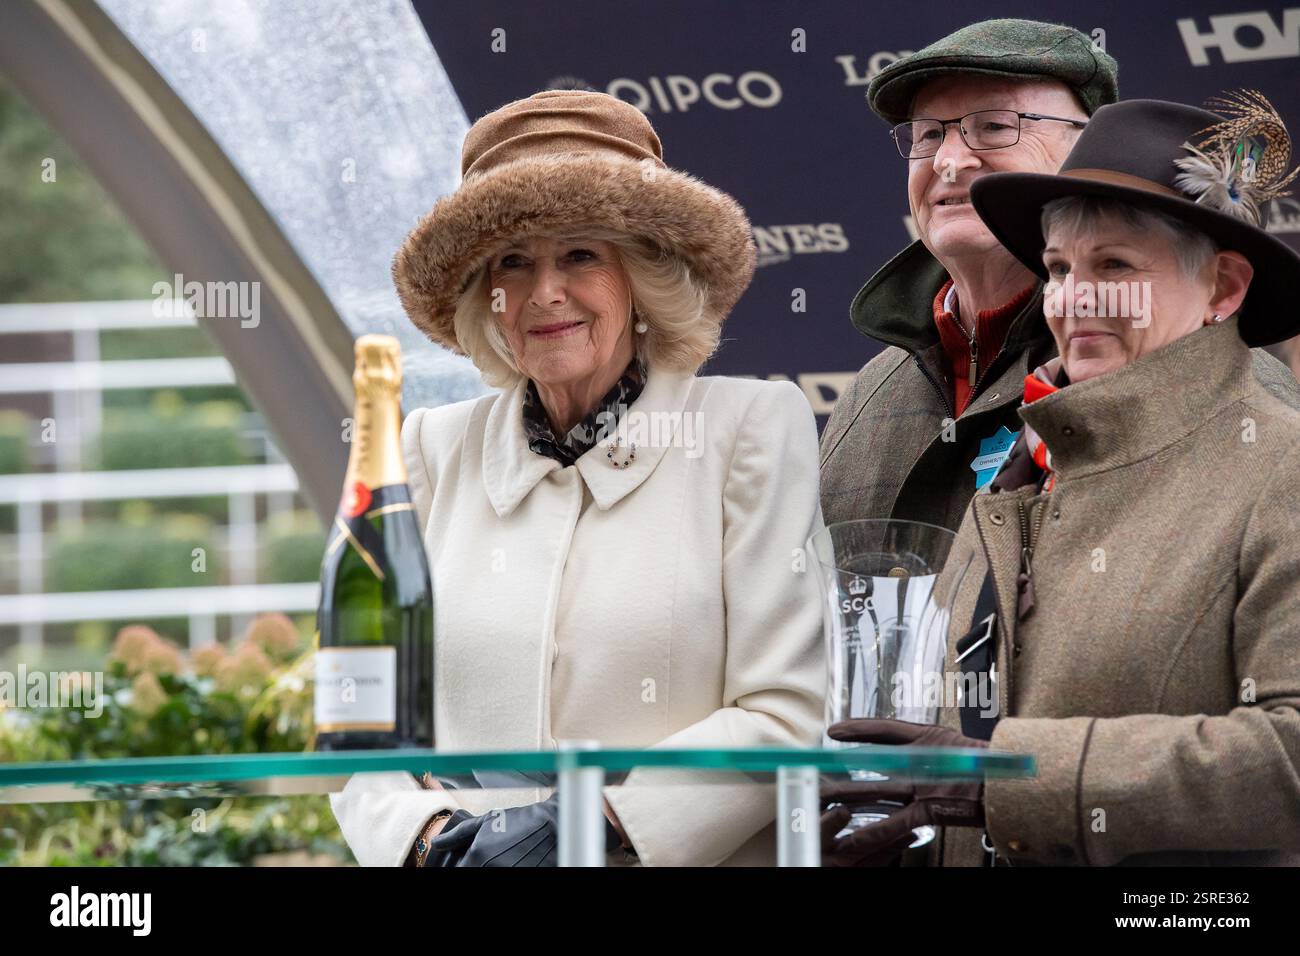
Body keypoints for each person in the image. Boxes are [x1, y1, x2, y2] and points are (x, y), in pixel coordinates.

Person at [328, 90, 825, 867]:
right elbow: (359, 718)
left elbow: (787, 714)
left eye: (581, 255)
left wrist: (585, 828)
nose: (544, 292)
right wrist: (426, 843)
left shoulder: (749, 430)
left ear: (642, 278)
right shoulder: (424, 448)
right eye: (513, 262)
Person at [823, 95, 1300, 866]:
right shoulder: (1020, 477)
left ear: (1223, 290)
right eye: (1057, 269)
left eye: (1114, 266)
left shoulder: (1283, 468)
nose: (1073, 298)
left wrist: (1008, 780)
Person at [819, 18, 1299, 533]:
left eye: (996, 126)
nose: (950, 160)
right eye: (929, 134)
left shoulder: (1217, 384)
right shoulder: (869, 391)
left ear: (1088, 151)